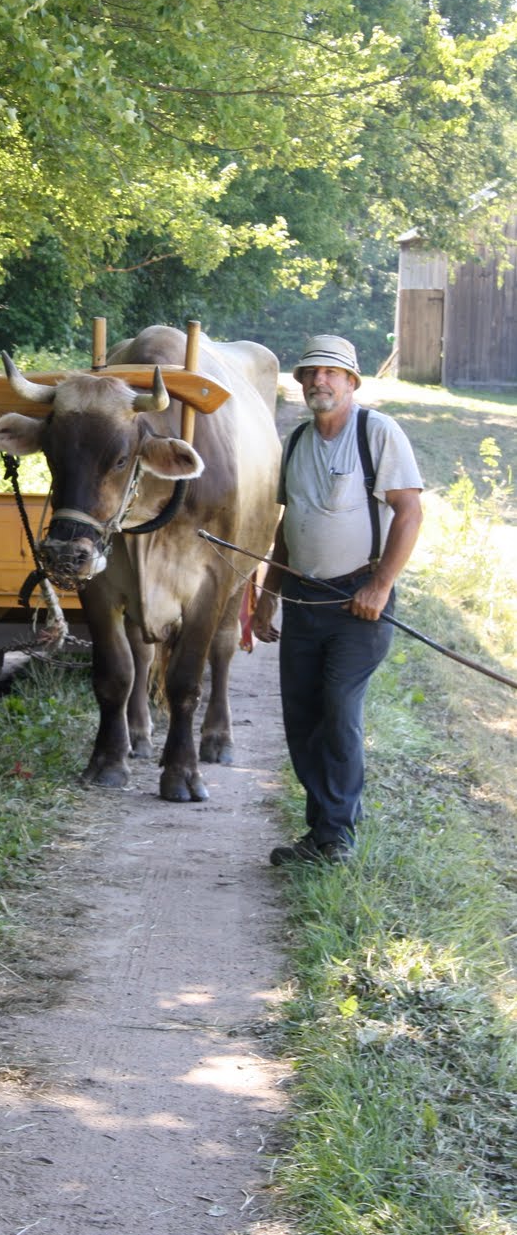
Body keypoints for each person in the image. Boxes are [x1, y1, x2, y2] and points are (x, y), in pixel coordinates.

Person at [250, 336, 423, 865]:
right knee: (302, 719)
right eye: (310, 374)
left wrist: (380, 586)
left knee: (338, 709)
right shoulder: (298, 442)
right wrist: (266, 595)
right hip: (304, 599)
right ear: (300, 383)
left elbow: (410, 514)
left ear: (352, 382)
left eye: (331, 373)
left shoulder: (377, 433)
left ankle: (337, 836)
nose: (318, 382)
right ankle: (322, 830)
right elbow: (288, 528)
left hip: (359, 603)